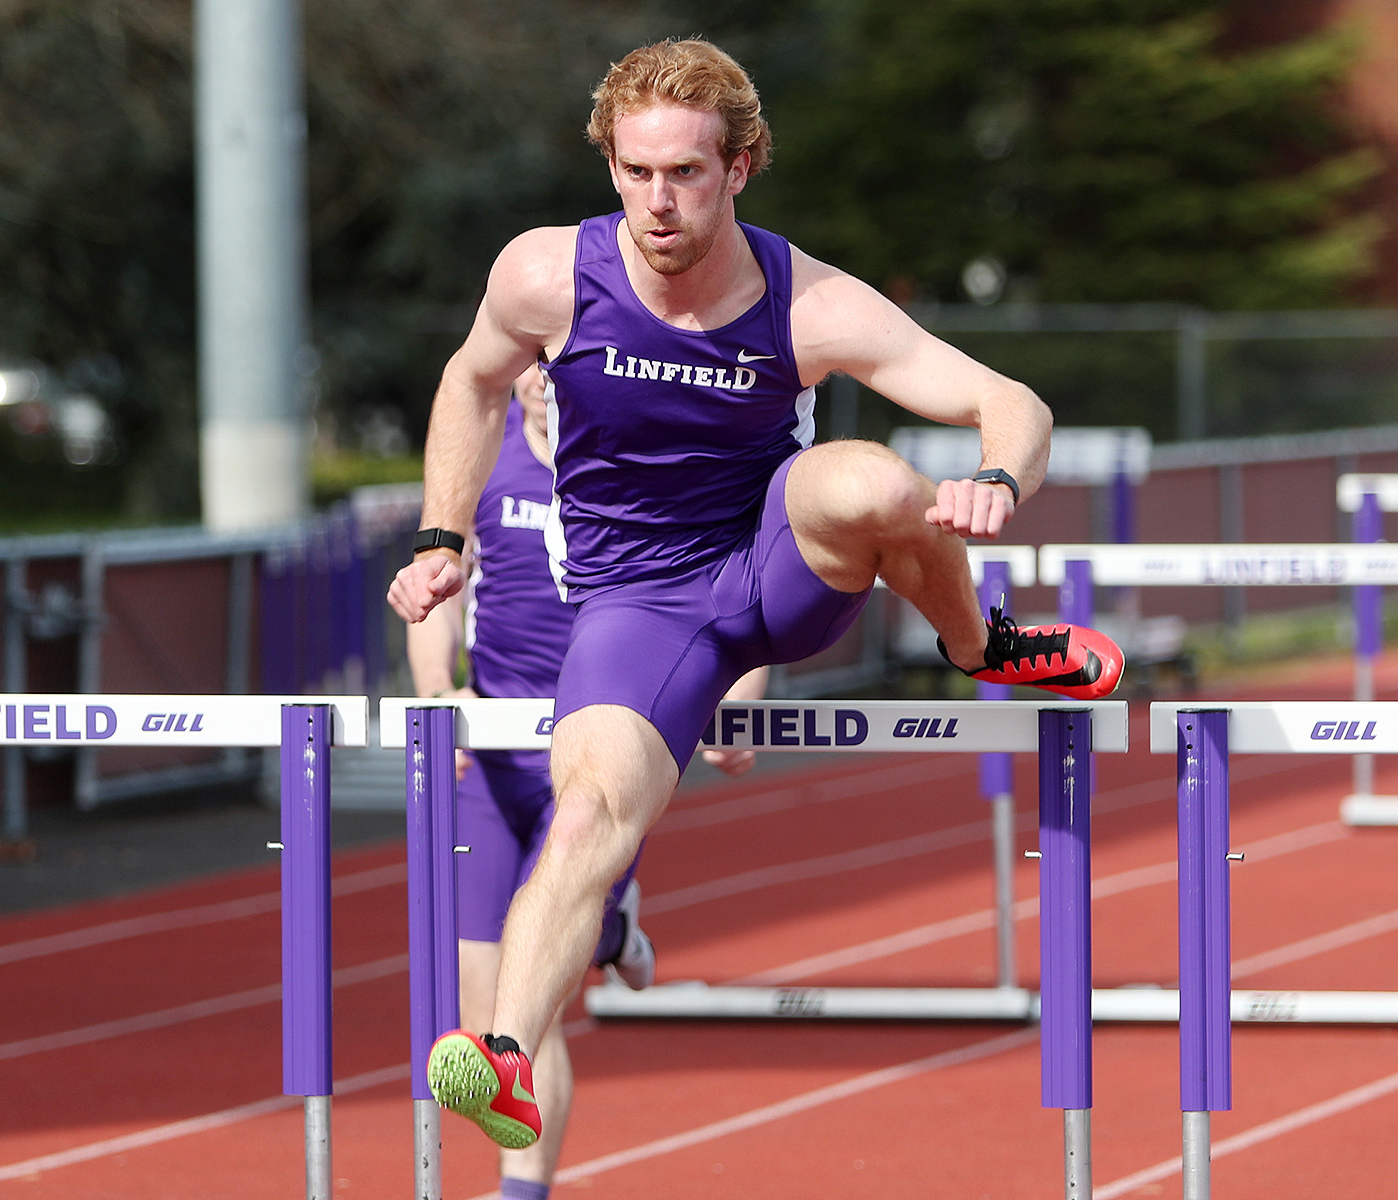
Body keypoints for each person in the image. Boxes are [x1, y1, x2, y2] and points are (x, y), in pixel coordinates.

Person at [385, 37, 1123, 1152]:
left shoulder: (806, 301)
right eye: (636, 172)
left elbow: (1011, 400)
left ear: (739, 167)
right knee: (590, 809)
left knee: (876, 483)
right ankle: (507, 1057)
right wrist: (444, 534)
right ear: (610, 165)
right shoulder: (546, 275)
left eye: (685, 173)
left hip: (775, 569)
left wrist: (998, 477)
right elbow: (470, 380)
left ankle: (983, 646)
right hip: (638, 605)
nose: (658, 201)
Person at [407, 362, 765, 1196]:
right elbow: (437, 591)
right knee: (484, 1008)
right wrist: (436, 693)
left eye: (555, 363)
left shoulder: (636, 457)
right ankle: (610, 931)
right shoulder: (486, 457)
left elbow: (730, 583)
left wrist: (739, 699)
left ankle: (521, 1191)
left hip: (599, 752)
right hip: (493, 762)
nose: (540, 379)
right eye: (527, 364)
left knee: (534, 1005)